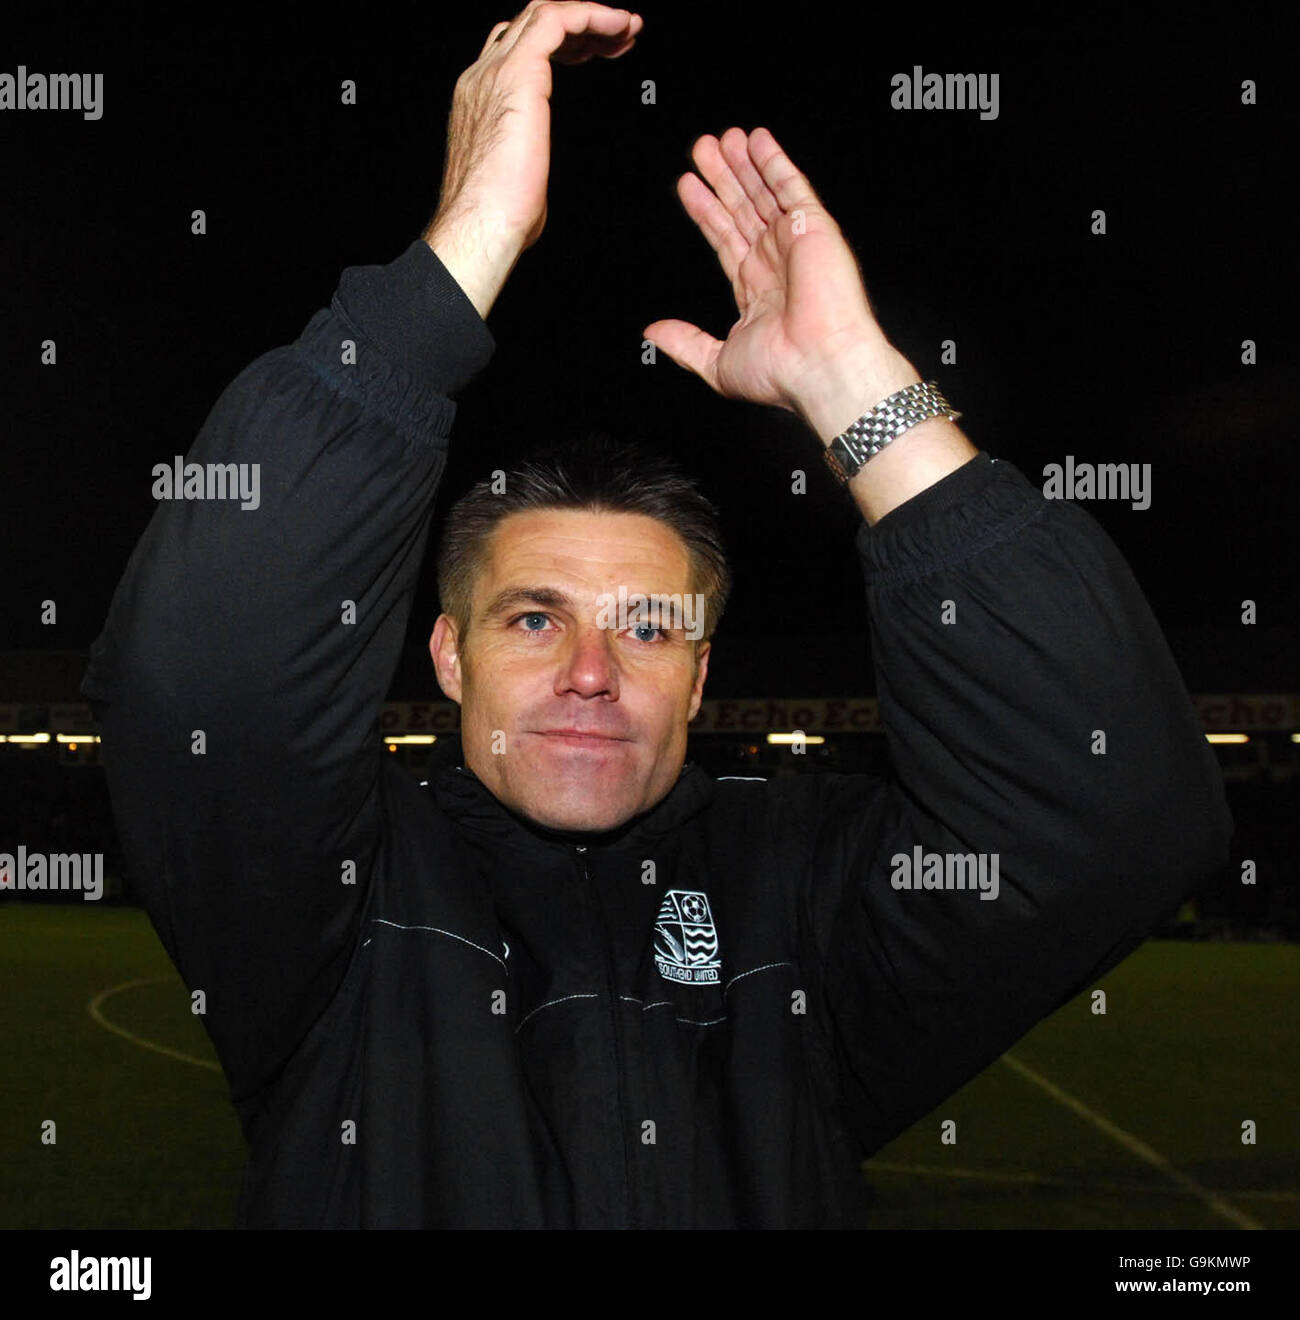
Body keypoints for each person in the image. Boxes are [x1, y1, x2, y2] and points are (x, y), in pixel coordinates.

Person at [83, 2, 1231, 1228]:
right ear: (446, 657)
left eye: (647, 627)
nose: (591, 670)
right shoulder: (329, 894)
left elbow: (1114, 811)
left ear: (697, 676)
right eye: (531, 620)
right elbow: (209, 669)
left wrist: (853, 383)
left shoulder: (801, 902)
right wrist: (466, 243)